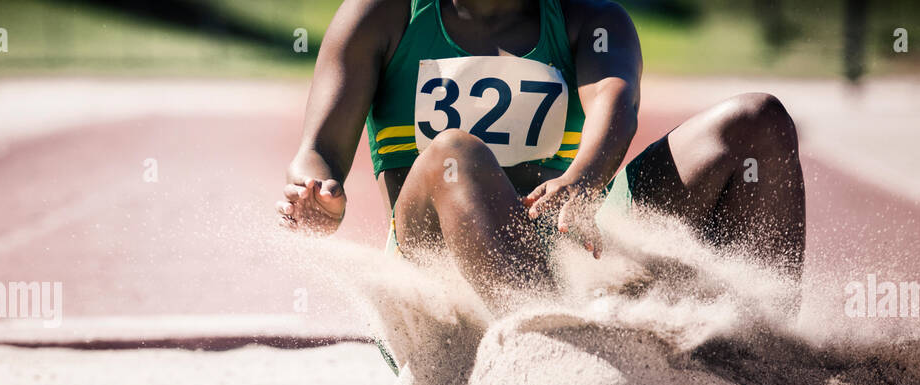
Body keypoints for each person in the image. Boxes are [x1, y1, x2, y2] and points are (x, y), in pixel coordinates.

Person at [277, 0, 804, 314]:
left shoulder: (590, 18)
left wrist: (584, 180)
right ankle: (548, 341)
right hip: (442, 290)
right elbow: (318, 152)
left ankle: (760, 347)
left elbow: (615, 102)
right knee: (455, 151)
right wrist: (315, 191)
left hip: (574, 251)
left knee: (756, 120)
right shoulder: (381, 14)